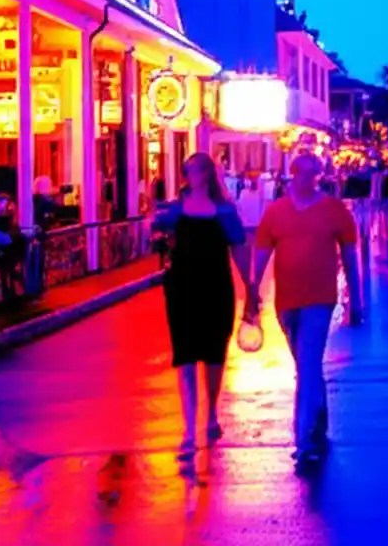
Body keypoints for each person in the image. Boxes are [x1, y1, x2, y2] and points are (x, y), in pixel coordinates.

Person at [249, 152, 361, 469]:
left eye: (314, 175)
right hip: (287, 301)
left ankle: (304, 438)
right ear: (293, 174)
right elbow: (261, 252)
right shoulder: (277, 212)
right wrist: (252, 291)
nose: (309, 180)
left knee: (309, 363)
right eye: (303, 174)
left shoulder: (333, 210)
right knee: (306, 365)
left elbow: (350, 256)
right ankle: (318, 420)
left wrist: (356, 298)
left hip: (320, 298)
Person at [152, 153, 250, 461]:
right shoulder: (176, 209)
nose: (190, 175)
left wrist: (250, 286)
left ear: (206, 174)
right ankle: (189, 427)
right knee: (184, 354)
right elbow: (153, 228)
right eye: (187, 170)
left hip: (216, 287)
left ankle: (210, 414)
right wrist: (156, 232)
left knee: (213, 354)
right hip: (182, 287)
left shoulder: (224, 211)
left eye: (194, 170)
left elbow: (239, 248)